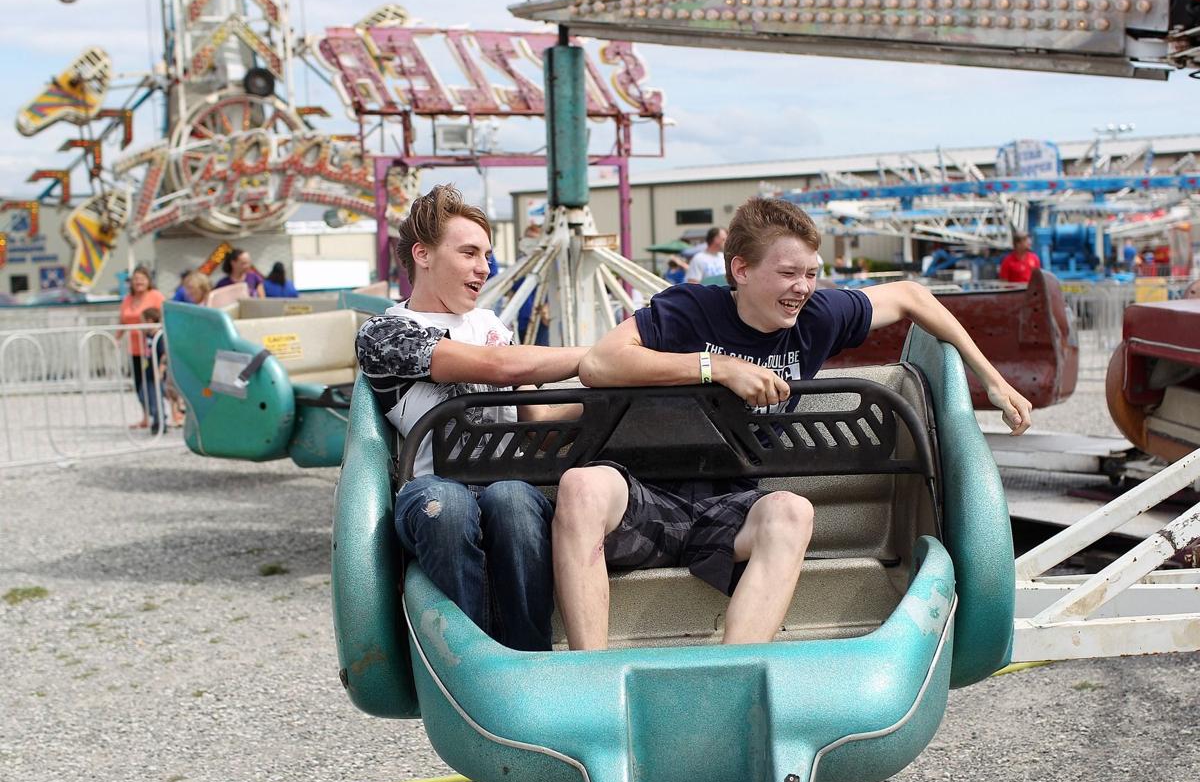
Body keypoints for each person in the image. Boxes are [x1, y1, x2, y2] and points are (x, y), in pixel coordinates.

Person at [551, 196, 1034, 652]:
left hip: (729, 504)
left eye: (810, 274)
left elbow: (911, 296)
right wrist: (715, 367)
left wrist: (991, 381)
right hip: (646, 496)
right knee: (581, 487)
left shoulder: (816, 318)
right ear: (740, 269)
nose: (802, 287)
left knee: (793, 512)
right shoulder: (690, 309)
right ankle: (590, 675)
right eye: (787, 273)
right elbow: (599, 364)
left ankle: (733, 677)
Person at [355, 184, 587, 652]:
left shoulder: (492, 325)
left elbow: (536, 420)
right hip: (433, 488)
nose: (484, 267)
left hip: (505, 484)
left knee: (513, 501)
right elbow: (501, 367)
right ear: (422, 254)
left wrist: (613, 390)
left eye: (486, 255)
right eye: (468, 253)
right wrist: (596, 358)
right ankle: (466, 660)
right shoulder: (385, 332)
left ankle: (528, 657)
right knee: (449, 504)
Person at [118, 265, 165, 429]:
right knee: (139, 384)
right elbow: (122, 320)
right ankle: (147, 415)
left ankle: (161, 414)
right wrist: (116, 338)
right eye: (136, 279)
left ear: (148, 280)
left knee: (154, 382)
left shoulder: (156, 296)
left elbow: (164, 317)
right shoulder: (128, 299)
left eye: (142, 279)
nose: (138, 282)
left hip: (153, 347)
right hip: (135, 347)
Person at [139, 306, 173, 431]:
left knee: (156, 398)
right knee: (144, 395)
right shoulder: (149, 335)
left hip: (156, 373)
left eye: (142, 321)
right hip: (148, 372)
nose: (140, 324)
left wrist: (161, 370)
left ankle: (160, 422)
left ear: (150, 321)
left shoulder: (160, 336)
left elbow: (164, 355)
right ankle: (158, 418)